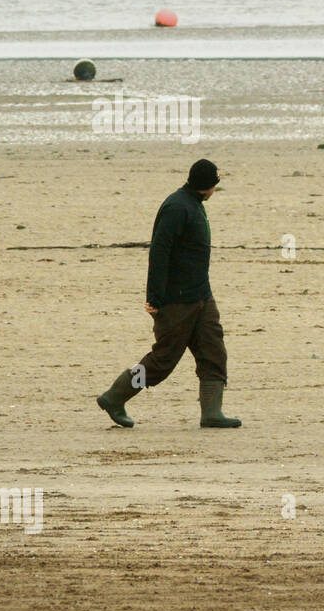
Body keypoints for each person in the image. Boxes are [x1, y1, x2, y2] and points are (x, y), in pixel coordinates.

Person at [96, 158, 241, 429]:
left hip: (202, 297)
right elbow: (159, 253)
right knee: (161, 362)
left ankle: (212, 413)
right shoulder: (177, 207)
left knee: (214, 352)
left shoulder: (194, 204)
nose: (215, 190)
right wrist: (154, 297)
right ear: (207, 186)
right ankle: (115, 397)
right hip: (176, 301)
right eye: (215, 184)